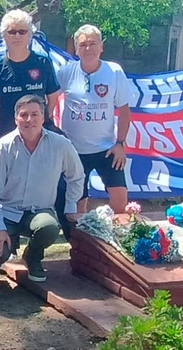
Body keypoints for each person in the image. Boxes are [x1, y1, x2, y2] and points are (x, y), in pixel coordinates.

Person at [0, 95, 85, 286]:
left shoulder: (61, 144)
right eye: (24, 115)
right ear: (16, 119)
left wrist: (70, 206)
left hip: (40, 212)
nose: (29, 120)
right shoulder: (4, 146)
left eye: (35, 114)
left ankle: (33, 257)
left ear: (43, 116)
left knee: (50, 227)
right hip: (8, 212)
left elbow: (76, 176)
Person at [56, 24, 133, 213]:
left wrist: (120, 143)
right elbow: (48, 103)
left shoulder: (114, 72)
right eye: (82, 45)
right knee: (78, 203)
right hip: (74, 150)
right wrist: (57, 137)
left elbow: (124, 111)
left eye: (92, 44)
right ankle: (83, 241)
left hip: (107, 149)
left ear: (101, 46)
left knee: (120, 199)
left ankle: (115, 239)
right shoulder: (66, 72)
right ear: (76, 48)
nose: (88, 49)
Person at [0, 9, 60, 136]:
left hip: (41, 135)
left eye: (22, 31)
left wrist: (41, 120)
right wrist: (6, 124)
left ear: (29, 35)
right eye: (12, 32)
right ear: (4, 36)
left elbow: (53, 97)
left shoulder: (43, 63)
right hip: (10, 136)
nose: (17, 36)